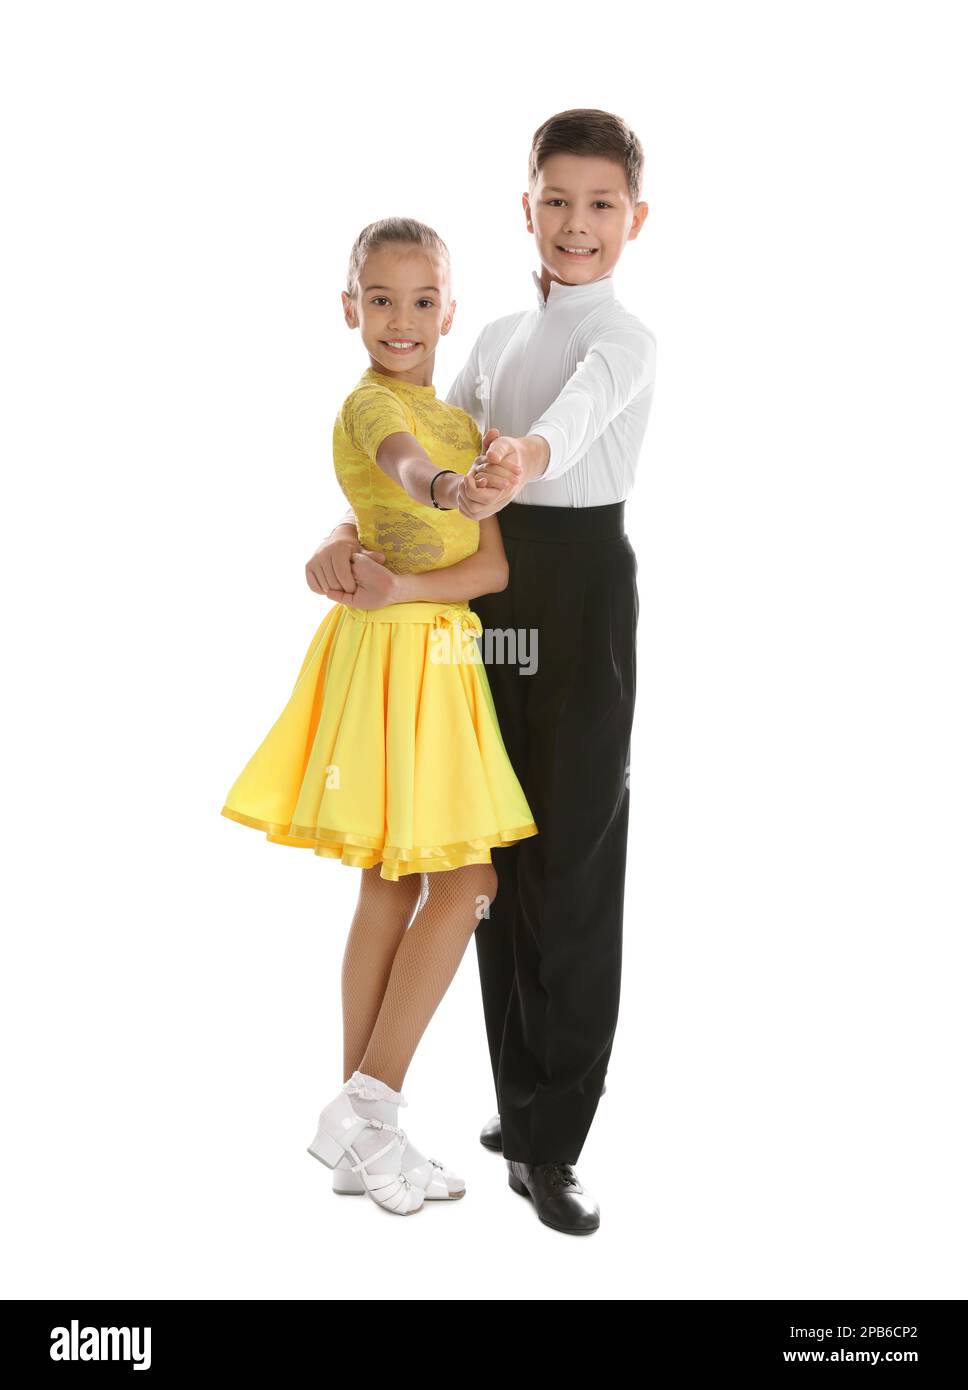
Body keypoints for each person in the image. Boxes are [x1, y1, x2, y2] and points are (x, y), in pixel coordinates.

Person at [307, 109, 656, 1235]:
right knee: (485, 846)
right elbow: (417, 453)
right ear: (526, 206)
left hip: (573, 588)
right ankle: (516, 1100)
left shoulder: (627, 339)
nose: (575, 224)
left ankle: (553, 1142)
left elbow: (568, 419)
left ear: (632, 219)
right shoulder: (494, 336)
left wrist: (521, 456)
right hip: (478, 594)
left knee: (574, 848)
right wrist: (342, 534)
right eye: (556, 199)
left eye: (600, 204)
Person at [220, 217, 539, 1217]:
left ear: (448, 309)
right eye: (380, 298)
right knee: (463, 878)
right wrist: (440, 496)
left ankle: (364, 1131)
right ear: (349, 306)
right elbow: (404, 468)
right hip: (395, 654)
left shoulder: (465, 424)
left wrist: (409, 557)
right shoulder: (372, 408)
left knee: (400, 881)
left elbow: (489, 567)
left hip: (437, 658)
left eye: (419, 300)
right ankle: (370, 1103)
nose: (400, 319)